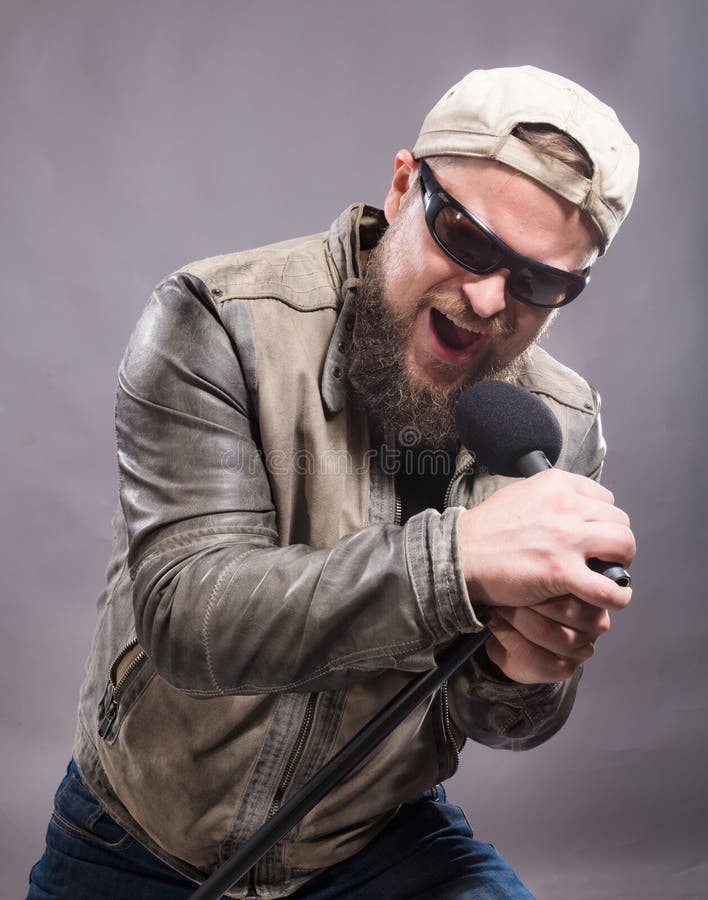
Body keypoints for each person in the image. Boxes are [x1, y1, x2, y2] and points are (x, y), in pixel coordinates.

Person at [28, 65, 638, 899]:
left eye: (539, 282)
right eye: (466, 236)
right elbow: (187, 612)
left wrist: (530, 674)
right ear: (401, 190)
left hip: (378, 842)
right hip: (132, 839)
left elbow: (501, 723)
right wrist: (458, 562)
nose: (491, 298)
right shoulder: (216, 320)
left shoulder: (559, 424)